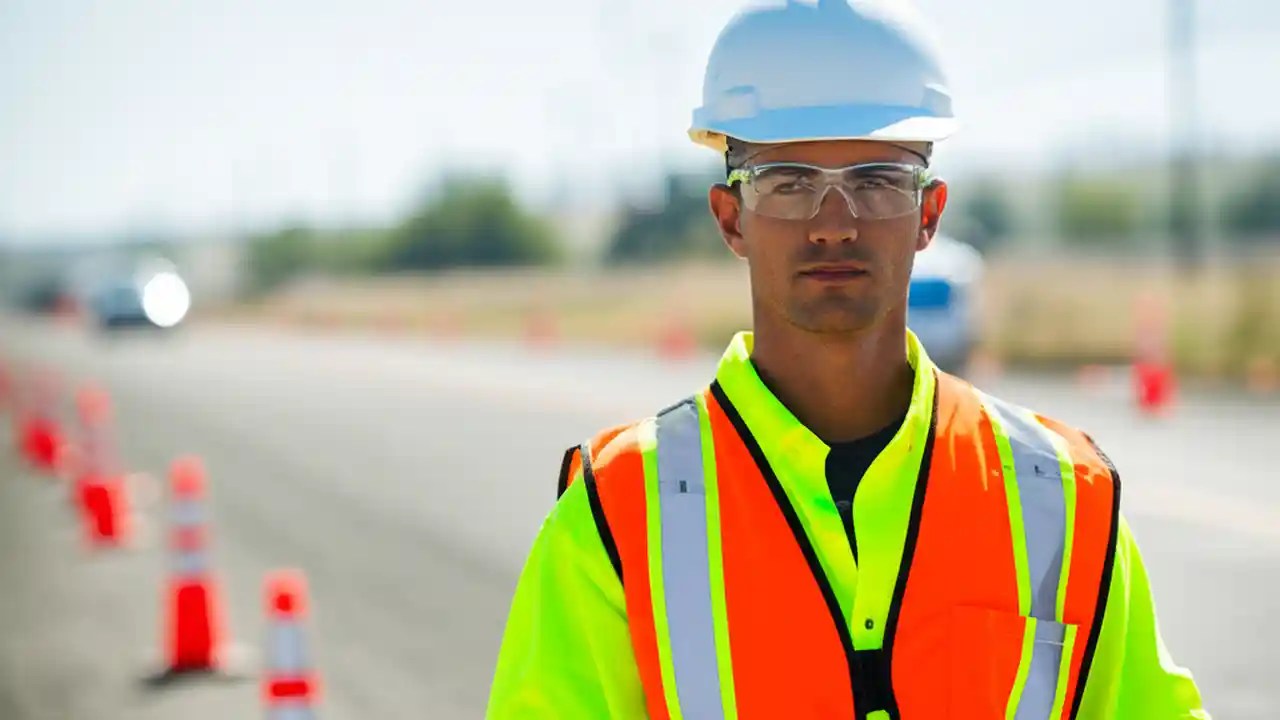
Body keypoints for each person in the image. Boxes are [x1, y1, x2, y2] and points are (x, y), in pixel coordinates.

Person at [487, 1, 1208, 717]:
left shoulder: (1061, 498)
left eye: (876, 181)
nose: (835, 225)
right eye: (790, 182)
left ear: (929, 215)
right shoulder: (618, 514)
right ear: (731, 217)